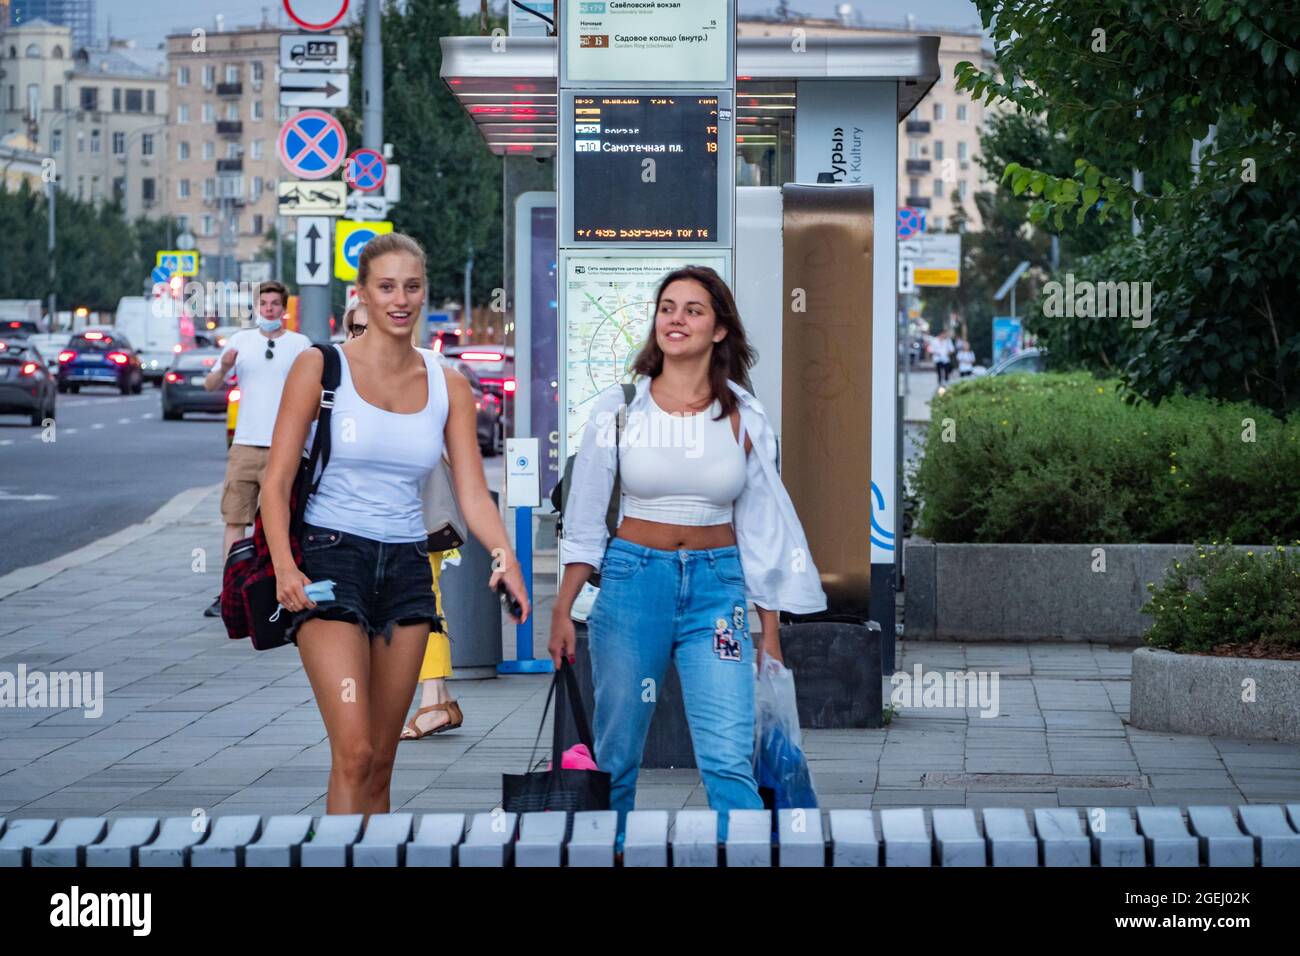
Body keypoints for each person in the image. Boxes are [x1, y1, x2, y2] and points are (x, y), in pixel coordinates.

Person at [549, 265, 827, 837]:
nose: (676, 319)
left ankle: (747, 853)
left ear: (719, 329)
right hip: (631, 585)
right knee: (618, 753)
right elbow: (583, 520)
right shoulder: (619, 408)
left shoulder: (745, 415)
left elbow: (763, 528)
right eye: (667, 308)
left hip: (716, 593)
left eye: (693, 310)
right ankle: (611, 849)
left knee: (728, 757)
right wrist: (563, 607)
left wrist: (768, 632)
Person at [261, 233, 528, 814]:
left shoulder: (447, 381)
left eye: (412, 286)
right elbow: (275, 482)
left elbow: (472, 492)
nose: (400, 299)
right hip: (331, 562)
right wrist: (285, 566)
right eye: (386, 287)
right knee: (354, 751)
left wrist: (505, 555)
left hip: (407, 567)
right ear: (361, 296)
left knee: (381, 759)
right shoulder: (319, 366)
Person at [203, 281, 311, 617]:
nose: (268, 309)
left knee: (282, 521)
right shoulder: (241, 342)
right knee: (235, 518)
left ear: (284, 309)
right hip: (246, 445)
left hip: (285, 446)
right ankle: (229, 593)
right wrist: (224, 366)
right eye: (263, 303)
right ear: (256, 307)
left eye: (274, 304)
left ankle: (280, 587)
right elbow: (211, 384)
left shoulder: (300, 345)